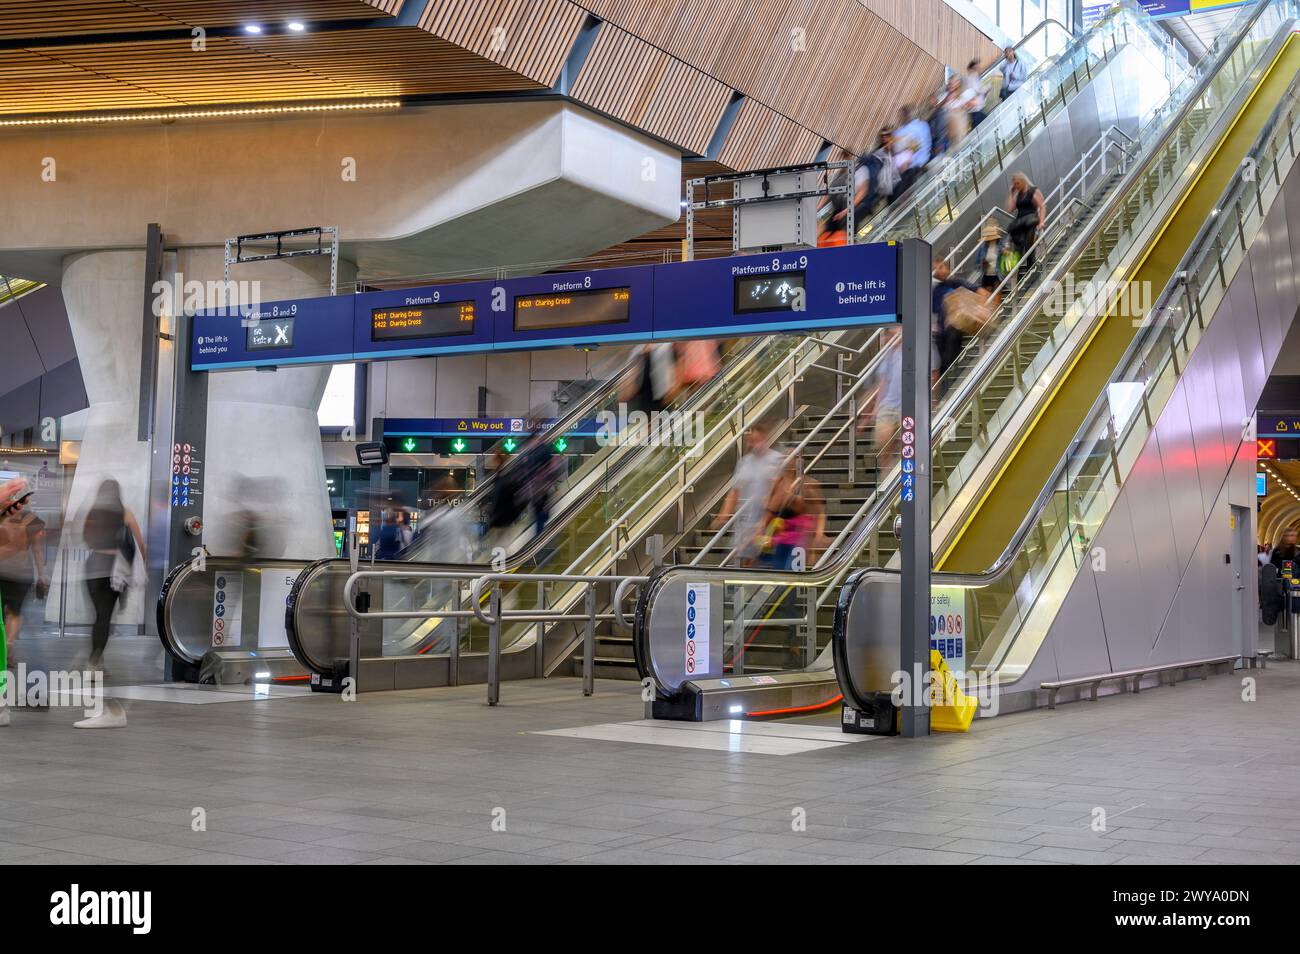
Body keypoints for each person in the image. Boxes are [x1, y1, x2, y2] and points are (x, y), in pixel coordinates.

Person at [81, 479, 146, 671]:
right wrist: (141, 564)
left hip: (92, 566)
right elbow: (140, 543)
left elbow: (86, 539)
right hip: (114, 570)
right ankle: (94, 660)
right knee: (104, 615)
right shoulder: (124, 512)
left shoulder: (92, 513)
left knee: (99, 614)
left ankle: (98, 659)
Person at [711, 422, 782, 566]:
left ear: (764, 436)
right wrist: (723, 515)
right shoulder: (744, 463)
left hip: (768, 523)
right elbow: (735, 491)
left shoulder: (777, 460)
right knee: (742, 561)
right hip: (745, 523)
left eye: (756, 440)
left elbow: (782, 490)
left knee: (762, 560)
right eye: (750, 441)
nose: (753, 444)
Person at [0, 478, 48, 654]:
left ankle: (5, 647)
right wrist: (42, 575)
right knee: (14, 612)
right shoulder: (31, 519)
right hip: (21, 571)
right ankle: (8, 646)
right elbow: (36, 549)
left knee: (7, 612)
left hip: (5, 571)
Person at [858, 326, 903, 469]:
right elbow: (882, 383)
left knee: (907, 446)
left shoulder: (913, 351)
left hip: (908, 405)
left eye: (893, 334)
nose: (890, 338)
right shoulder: (888, 355)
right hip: (888, 406)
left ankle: (904, 476)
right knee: (883, 447)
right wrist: (874, 409)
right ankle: (888, 479)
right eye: (888, 335)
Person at [1007, 172, 1046, 267]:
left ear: (1023, 181)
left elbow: (1042, 207)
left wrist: (1041, 222)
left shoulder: (1033, 191)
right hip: (1020, 223)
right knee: (1018, 247)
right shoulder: (1018, 194)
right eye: (1014, 184)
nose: (1016, 186)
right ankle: (1020, 269)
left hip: (1031, 222)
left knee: (1029, 246)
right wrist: (1012, 193)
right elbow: (1010, 209)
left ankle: (1031, 268)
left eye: (1018, 183)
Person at [892, 105, 932, 194]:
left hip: (910, 171)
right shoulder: (923, 125)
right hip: (924, 165)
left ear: (904, 116)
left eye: (900, 116)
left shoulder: (901, 132)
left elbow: (900, 150)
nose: (899, 118)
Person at [964, 59, 988, 127]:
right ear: (971, 68)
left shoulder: (975, 77)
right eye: (976, 68)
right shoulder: (970, 78)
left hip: (978, 106)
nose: (978, 69)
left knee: (981, 125)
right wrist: (984, 90)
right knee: (981, 126)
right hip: (975, 108)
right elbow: (974, 91)